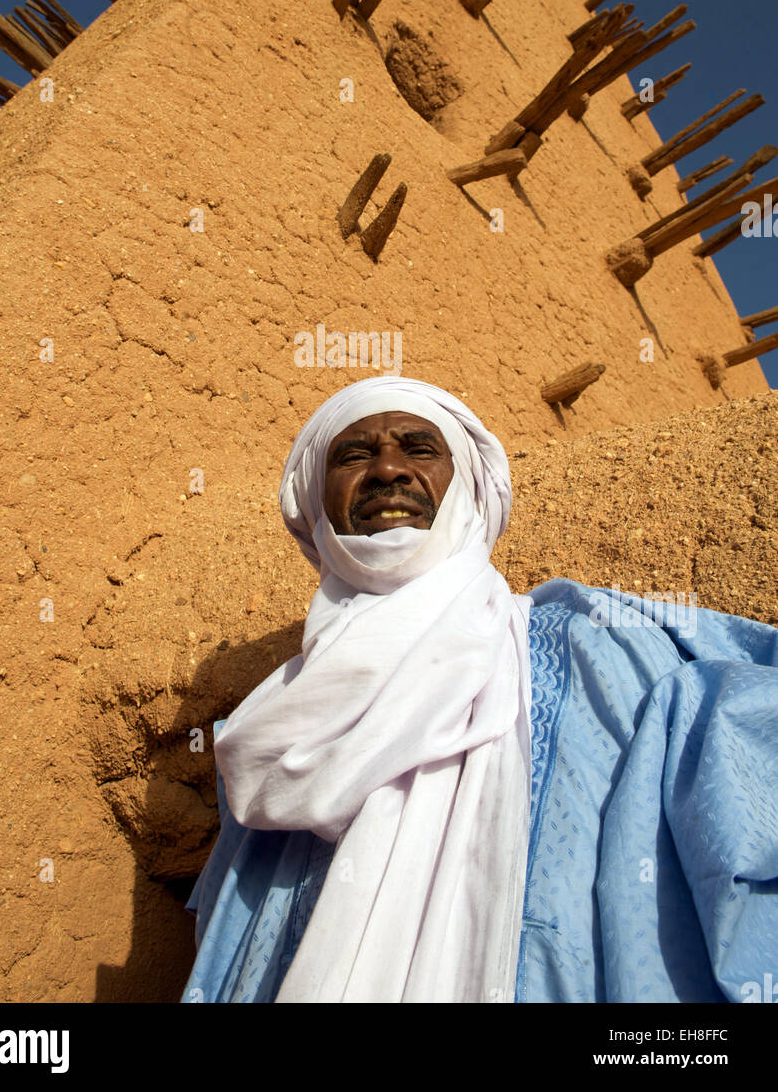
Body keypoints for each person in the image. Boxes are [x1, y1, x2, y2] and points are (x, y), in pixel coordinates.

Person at [180, 377, 778, 1004]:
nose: (389, 469)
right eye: (354, 455)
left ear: (465, 483)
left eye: (419, 448)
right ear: (316, 500)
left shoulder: (597, 647)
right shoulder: (271, 725)